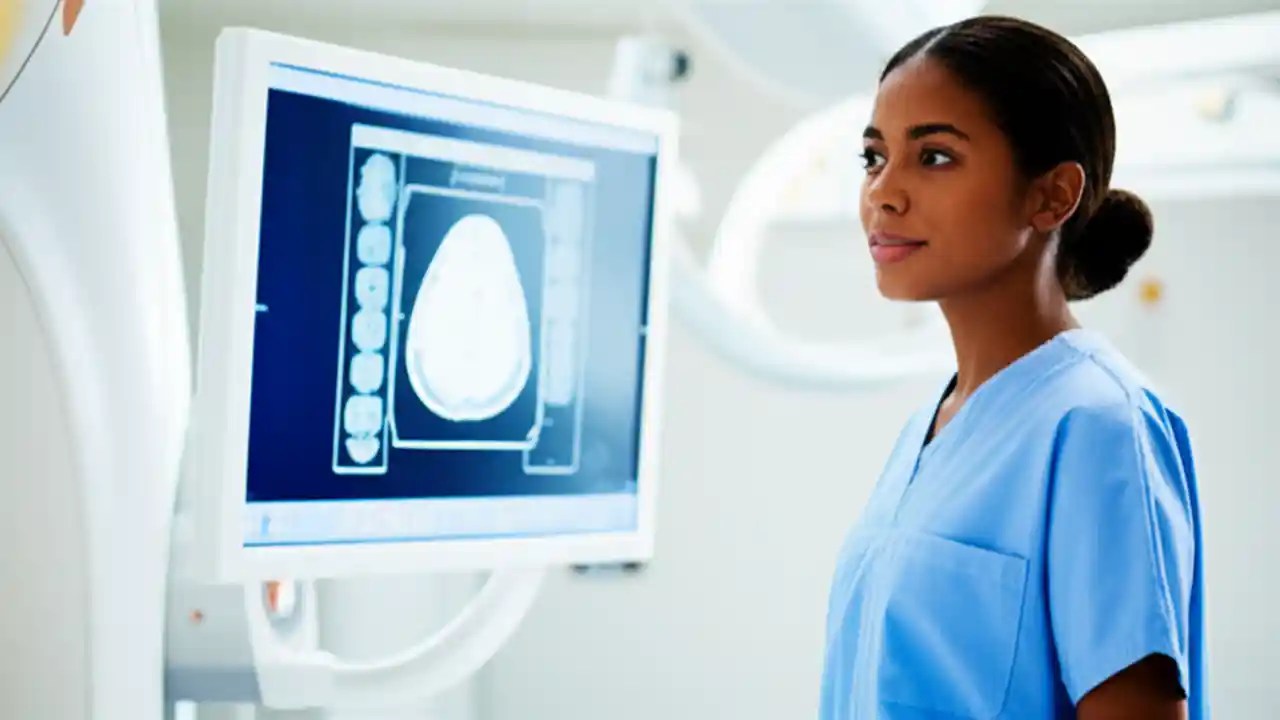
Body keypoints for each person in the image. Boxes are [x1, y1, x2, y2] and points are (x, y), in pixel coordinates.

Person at [819, 15, 1207, 720]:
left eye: (934, 157)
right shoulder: (930, 431)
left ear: (1052, 195)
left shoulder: (1096, 425)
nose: (884, 192)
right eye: (874, 157)